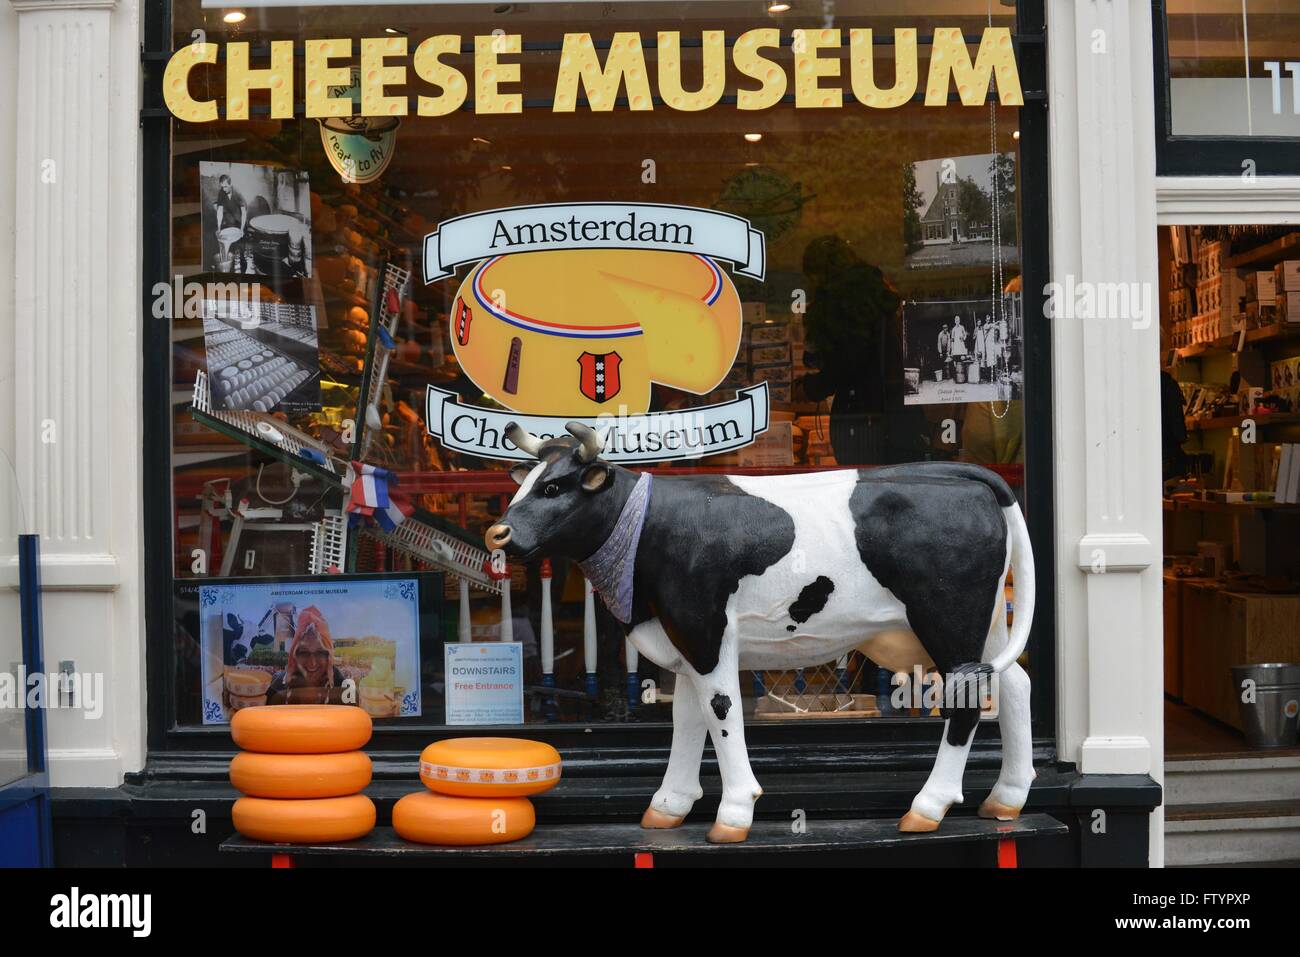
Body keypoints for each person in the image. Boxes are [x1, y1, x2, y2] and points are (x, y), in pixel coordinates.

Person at [265, 605, 348, 705]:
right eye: (304, 653)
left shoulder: (343, 688)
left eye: (319, 653)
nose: (312, 663)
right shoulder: (277, 688)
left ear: (328, 657)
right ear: (294, 655)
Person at [213, 174, 248, 272]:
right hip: (231, 221)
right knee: (230, 249)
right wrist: (219, 228)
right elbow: (219, 211)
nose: (223, 189)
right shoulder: (221, 193)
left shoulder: (238, 193)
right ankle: (230, 270)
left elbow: (244, 212)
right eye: (222, 186)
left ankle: (243, 270)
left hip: (241, 221)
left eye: (225, 186)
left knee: (241, 250)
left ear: (231, 184)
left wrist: (241, 229)